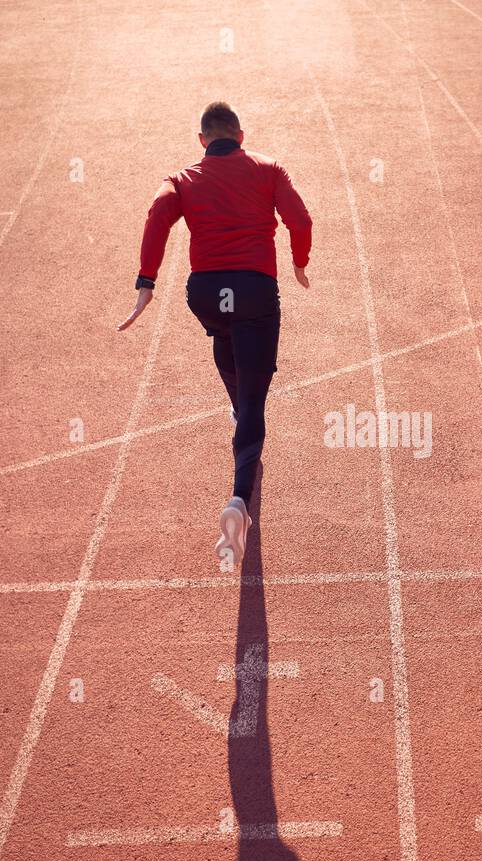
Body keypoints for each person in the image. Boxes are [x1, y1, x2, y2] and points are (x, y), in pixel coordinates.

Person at [118, 102, 313, 566]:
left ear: (202, 141)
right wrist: (300, 262)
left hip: (206, 291)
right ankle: (240, 501)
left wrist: (146, 283)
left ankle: (237, 405)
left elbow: (156, 216)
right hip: (255, 287)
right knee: (254, 399)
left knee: (224, 341)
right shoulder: (269, 169)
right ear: (241, 136)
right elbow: (300, 221)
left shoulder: (182, 179)